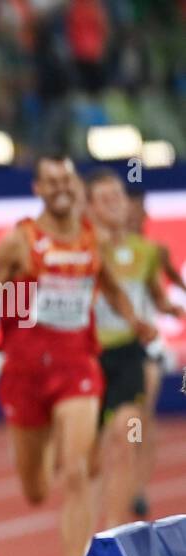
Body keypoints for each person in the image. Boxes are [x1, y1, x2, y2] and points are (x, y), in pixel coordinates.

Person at [0, 155, 156, 556]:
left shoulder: (90, 240)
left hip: (76, 366)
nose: (61, 187)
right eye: (50, 181)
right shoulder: (21, 242)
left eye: (66, 178)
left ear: (75, 185)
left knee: (76, 472)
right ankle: (44, 445)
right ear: (38, 189)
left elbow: (108, 286)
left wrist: (135, 321)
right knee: (34, 488)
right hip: (26, 371)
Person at [84, 169, 182, 528]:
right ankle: (88, 532)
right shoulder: (86, 250)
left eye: (120, 200)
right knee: (90, 453)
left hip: (135, 351)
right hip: (88, 357)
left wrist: (173, 308)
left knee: (133, 426)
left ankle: (130, 497)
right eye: (106, 200)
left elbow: (163, 291)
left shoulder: (150, 252)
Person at [128, 189, 186, 518]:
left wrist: (172, 306)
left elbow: (170, 286)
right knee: (123, 422)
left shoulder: (153, 252)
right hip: (116, 346)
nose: (134, 218)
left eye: (140, 212)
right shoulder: (105, 252)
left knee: (143, 416)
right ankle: (122, 479)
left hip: (147, 345)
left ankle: (138, 487)